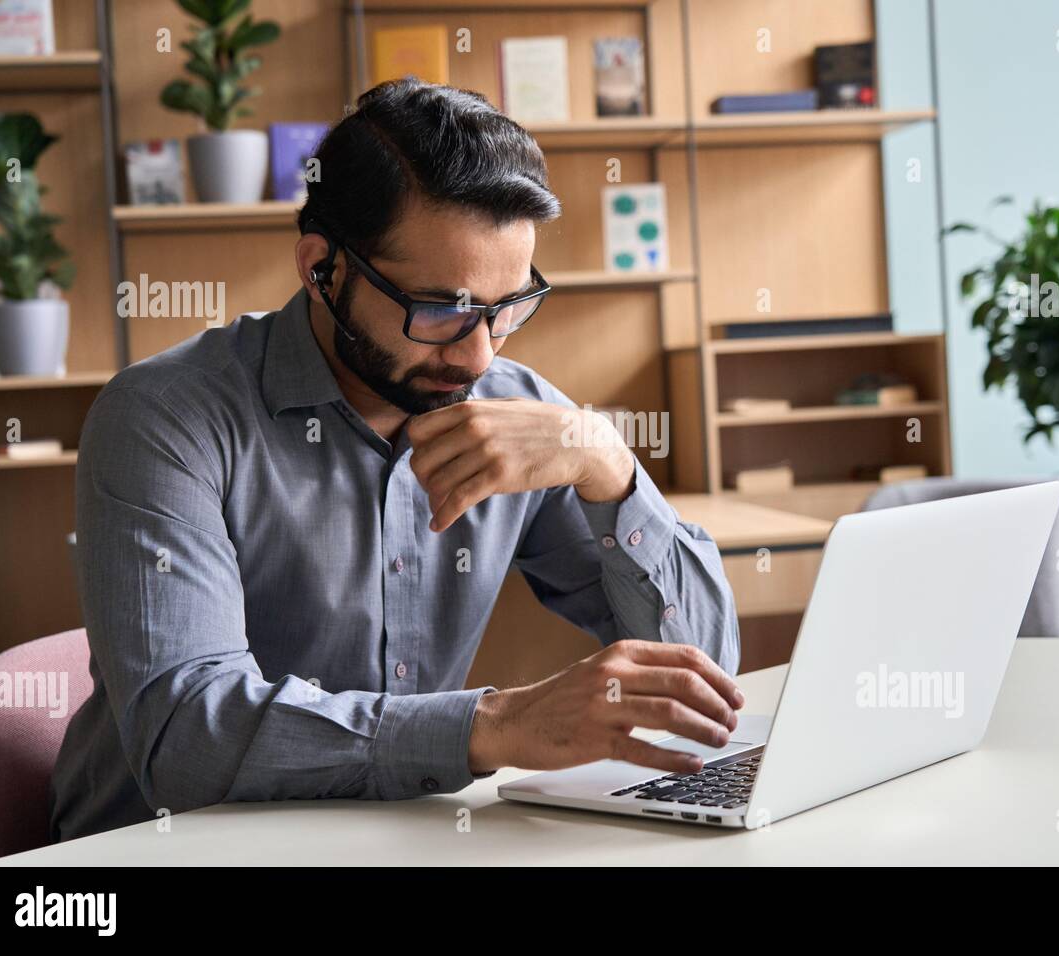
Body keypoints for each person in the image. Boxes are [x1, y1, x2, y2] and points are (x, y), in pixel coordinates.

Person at [50, 79, 742, 841]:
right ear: (322, 270)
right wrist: (496, 724)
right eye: (441, 309)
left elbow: (703, 674)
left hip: (395, 838)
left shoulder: (516, 412)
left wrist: (608, 464)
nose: (479, 354)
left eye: (507, 307)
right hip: (160, 850)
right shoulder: (165, 419)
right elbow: (187, 739)